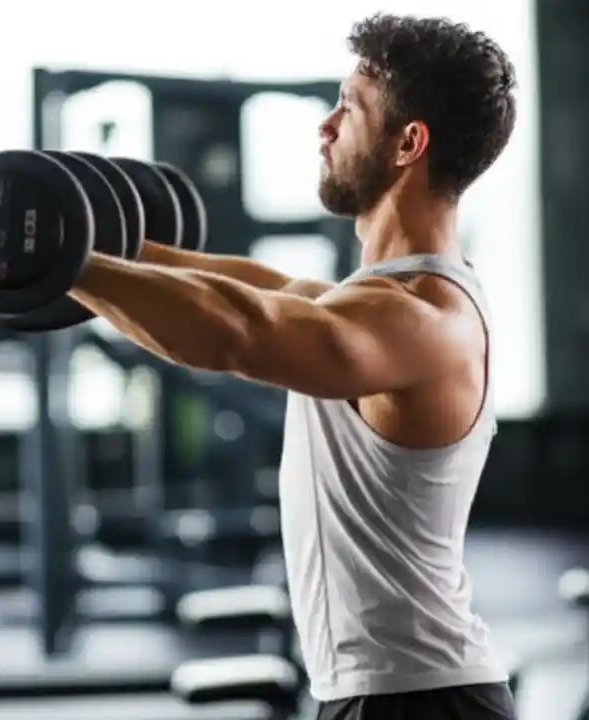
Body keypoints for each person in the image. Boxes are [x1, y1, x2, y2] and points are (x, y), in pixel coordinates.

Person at [68, 13, 519, 719]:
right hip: (387, 693)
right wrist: (105, 245)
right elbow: (257, 287)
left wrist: (63, 259)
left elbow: (244, 331)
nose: (326, 126)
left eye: (351, 106)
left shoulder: (425, 320)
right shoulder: (386, 299)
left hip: (417, 702)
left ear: (409, 143)